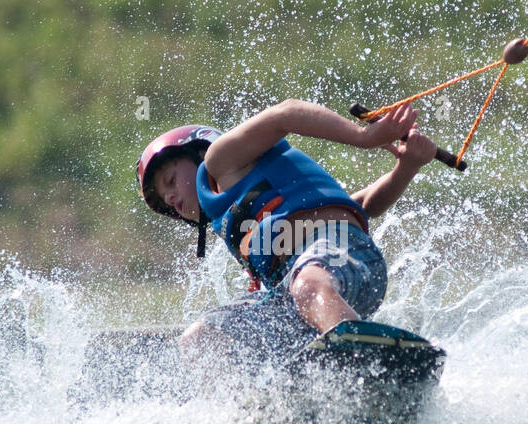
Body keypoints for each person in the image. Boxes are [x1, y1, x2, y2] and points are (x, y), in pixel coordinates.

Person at [135, 98, 436, 361]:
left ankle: (367, 362)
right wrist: (406, 168)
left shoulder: (220, 159)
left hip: (343, 261)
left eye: (171, 180)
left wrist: (366, 136)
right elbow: (362, 203)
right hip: (300, 292)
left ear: (197, 154)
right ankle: (243, 414)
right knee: (200, 339)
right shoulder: (234, 216)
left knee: (306, 286)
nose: (171, 197)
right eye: (165, 198)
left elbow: (286, 113)